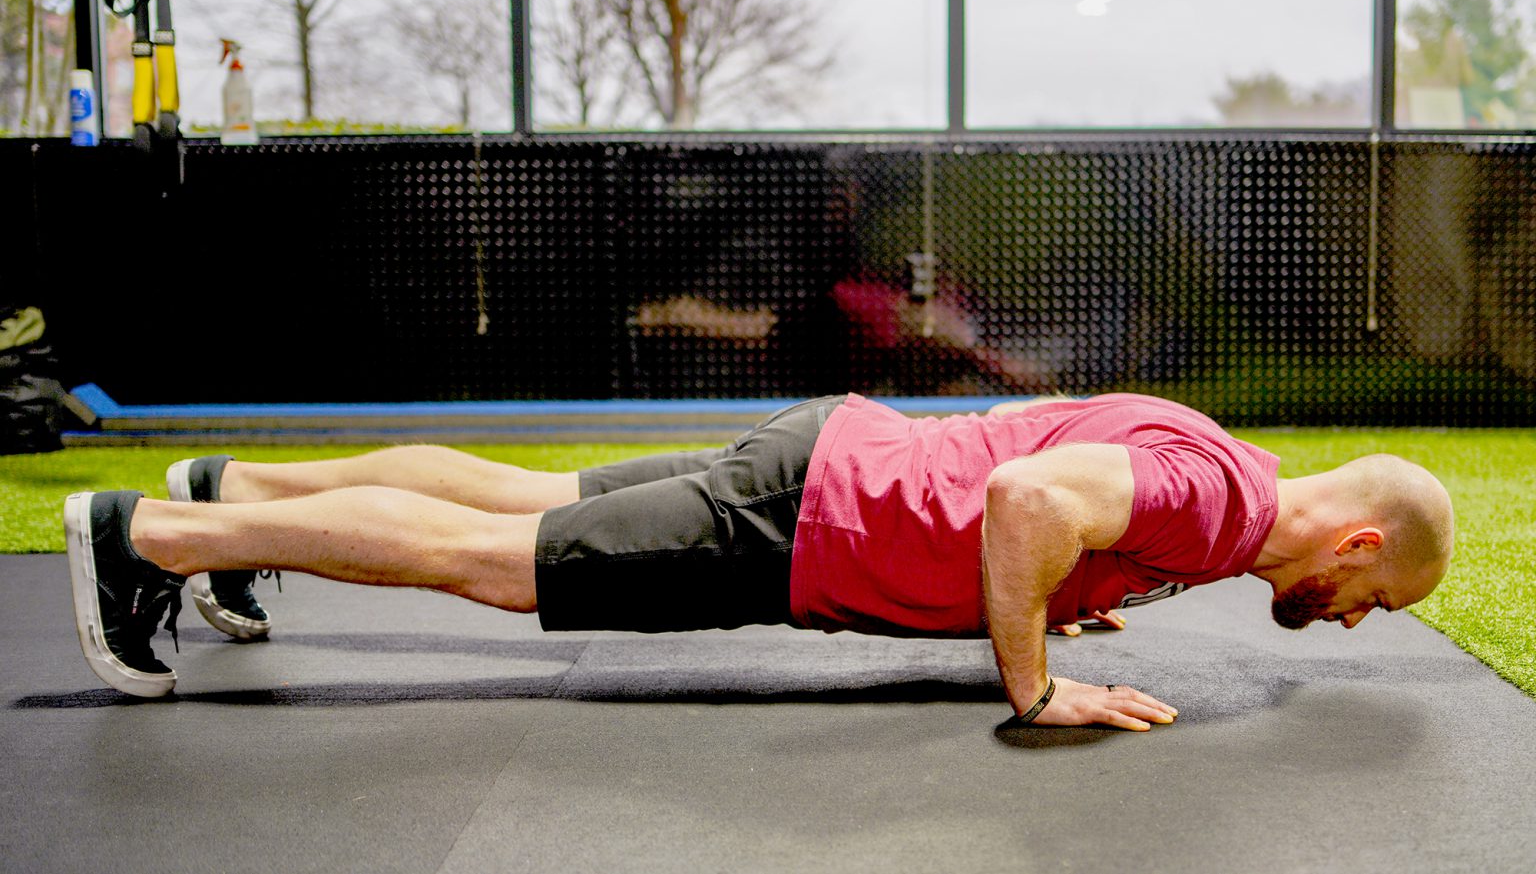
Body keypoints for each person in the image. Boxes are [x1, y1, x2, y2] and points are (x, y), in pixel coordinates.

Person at [62, 393, 1455, 731]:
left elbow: (1065, 499)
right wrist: (1027, 679)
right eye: (1369, 600)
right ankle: (155, 539)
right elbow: (1032, 494)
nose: (1345, 623)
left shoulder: (1215, 470)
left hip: (824, 462)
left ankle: (230, 496)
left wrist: (1062, 595)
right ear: (1358, 541)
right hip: (815, 521)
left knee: (520, 501)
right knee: (494, 561)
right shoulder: (1219, 503)